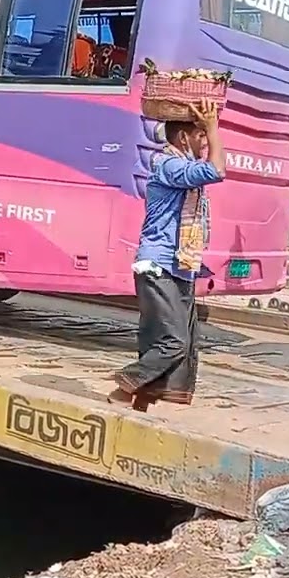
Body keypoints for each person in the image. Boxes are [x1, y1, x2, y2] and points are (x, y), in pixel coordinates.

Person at [110, 99, 225, 411]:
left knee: (184, 344)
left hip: (180, 267)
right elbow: (216, 170)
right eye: (200, 136)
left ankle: (141, 399)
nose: (206, 142)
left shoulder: (183, 168)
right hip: (158, 265)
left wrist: (209, 130)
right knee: (173, 341)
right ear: (184, 138)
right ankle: (127, 382)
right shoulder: (168, 165)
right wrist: (213, 127)